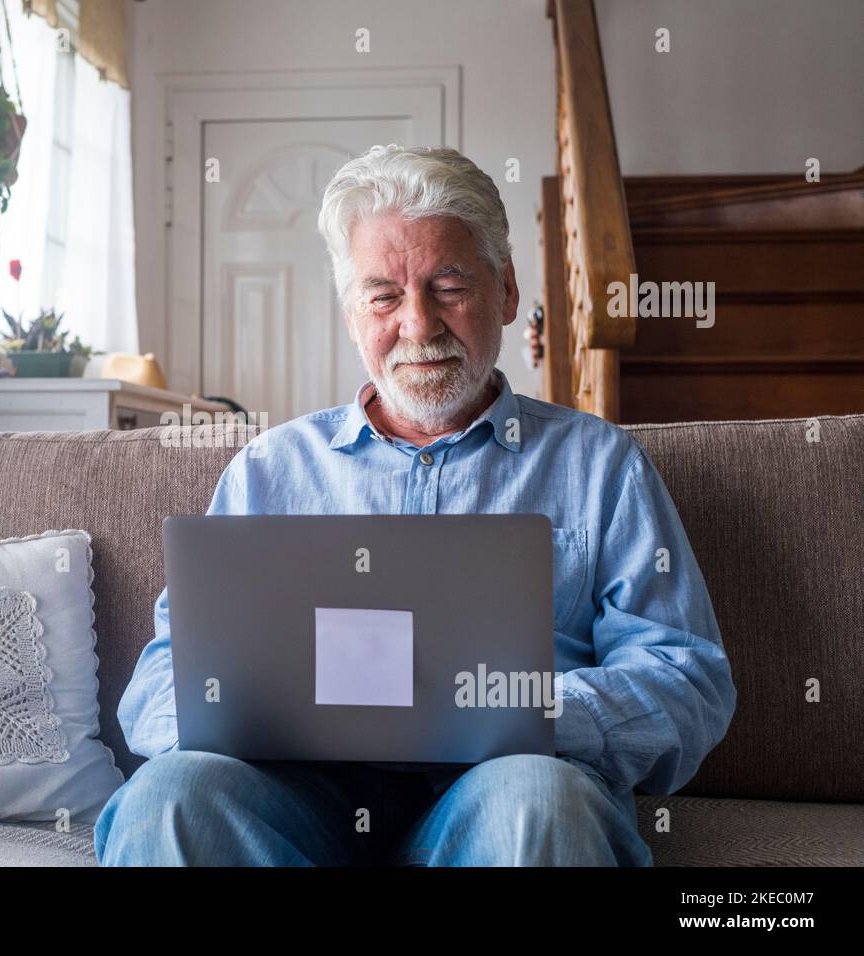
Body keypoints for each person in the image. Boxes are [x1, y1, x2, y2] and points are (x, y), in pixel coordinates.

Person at [94, 145, 737, 866]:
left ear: (508, 291)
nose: (419, 325)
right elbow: (155, 689)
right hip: (295, 798)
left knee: (539, 802)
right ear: (352, 314)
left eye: (449, 286)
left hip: (504, 788)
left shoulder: (600, 467)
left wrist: (520, 711)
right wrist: (265, 714)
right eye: (384, 296)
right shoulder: (269, 472)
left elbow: (687, 681)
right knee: (169, 797)